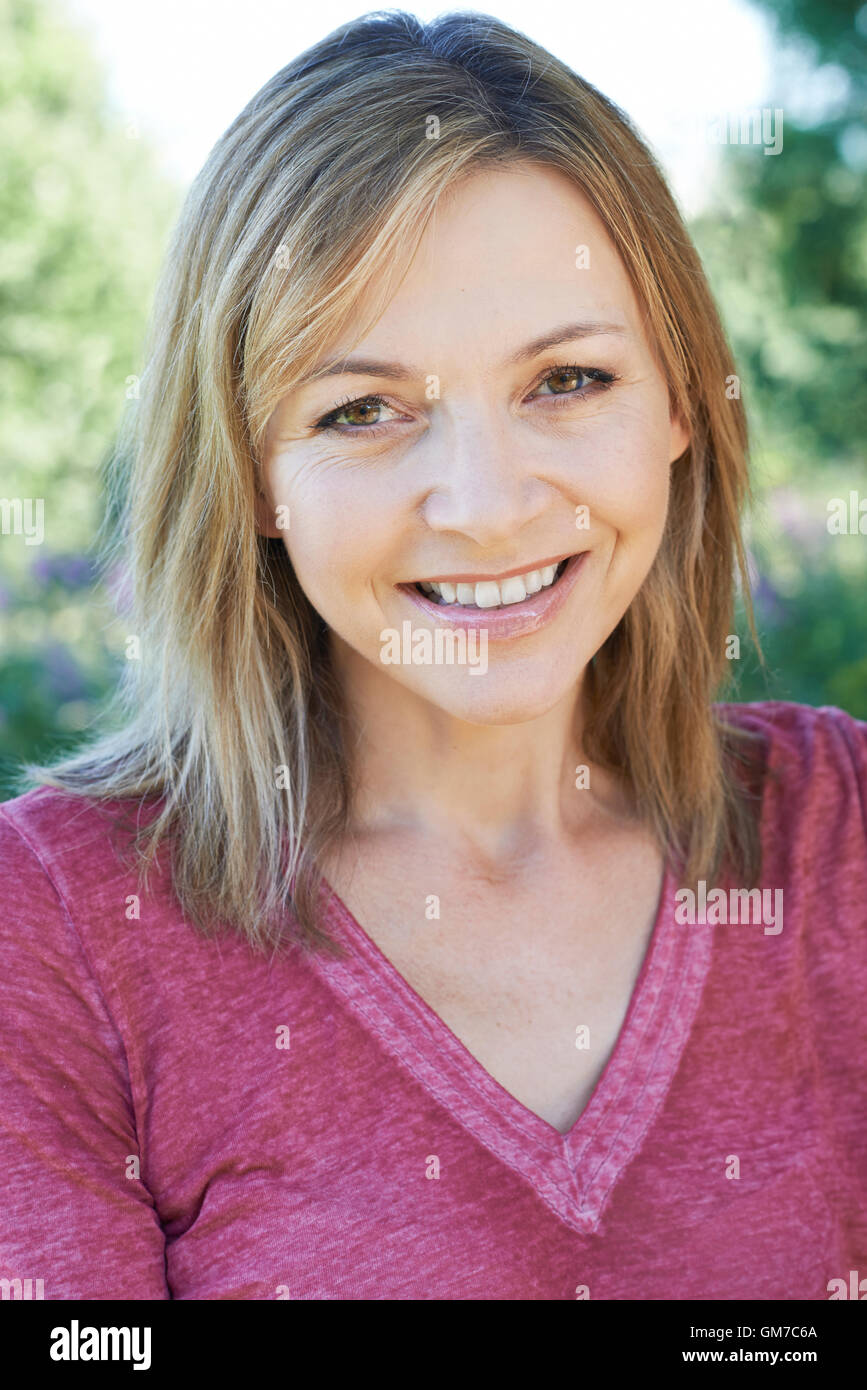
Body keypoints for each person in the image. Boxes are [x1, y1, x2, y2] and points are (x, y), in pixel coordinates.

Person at [1, 10, 864, 1301]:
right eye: (362, 409)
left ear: (682, 402)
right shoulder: (56, 929)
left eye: (566, 380)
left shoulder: (838, 832)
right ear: (248, 474)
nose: (486, 501)